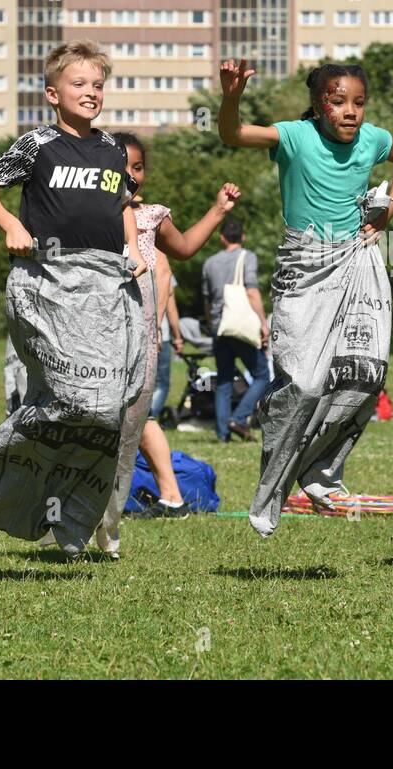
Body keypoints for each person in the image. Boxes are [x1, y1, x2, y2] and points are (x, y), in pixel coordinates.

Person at [0, 39, 149, 558]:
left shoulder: (111, 149)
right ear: (52, 94)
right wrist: (12, 223)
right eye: (79, 84)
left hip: (105, 286)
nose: (91, 92)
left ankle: (71, 518)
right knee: (73, 400)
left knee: (107, 412)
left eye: (98, 85)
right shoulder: (38, 144)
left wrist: (133, 248)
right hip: (48, 281)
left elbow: (123, 201)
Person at [219, 58, 393, 537]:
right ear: (318, 103)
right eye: (337, 101)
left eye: (358, 102)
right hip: (304, 266)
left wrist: (390, 206)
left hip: (357, 260)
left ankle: (320, 471)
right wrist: (231, 95)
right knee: (305, 386)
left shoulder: (373, 140)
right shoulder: (293, 136)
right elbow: (233, 135)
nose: (350, 112)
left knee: (366, 375)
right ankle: (275, 449)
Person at [111, 131, 239, 523]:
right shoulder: (86, 215)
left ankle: (170, 495)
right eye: (122, 167)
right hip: (98, 327)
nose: (132, 174)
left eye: (138, 166)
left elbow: (183, 248)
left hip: (140, 329)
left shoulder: (150, 215)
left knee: (138, 410)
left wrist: (218, 211)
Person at [200, 218, 270, 443]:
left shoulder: (209, 263)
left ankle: (222, 434)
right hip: (241, 327)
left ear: (221, 238)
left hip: (219, 328)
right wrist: (263, 322)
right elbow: (251, 291)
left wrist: (213, 324)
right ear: (243, 237)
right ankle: (239, 418)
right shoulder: (247, 257)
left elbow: (207, 301)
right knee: (262, 375)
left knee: (224, 380)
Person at [149, 251, 183, 420]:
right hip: (161, 334)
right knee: (161, 383)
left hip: (138, 331)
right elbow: (171, 309)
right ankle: (149, 421)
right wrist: (178, 337)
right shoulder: (163, 270)